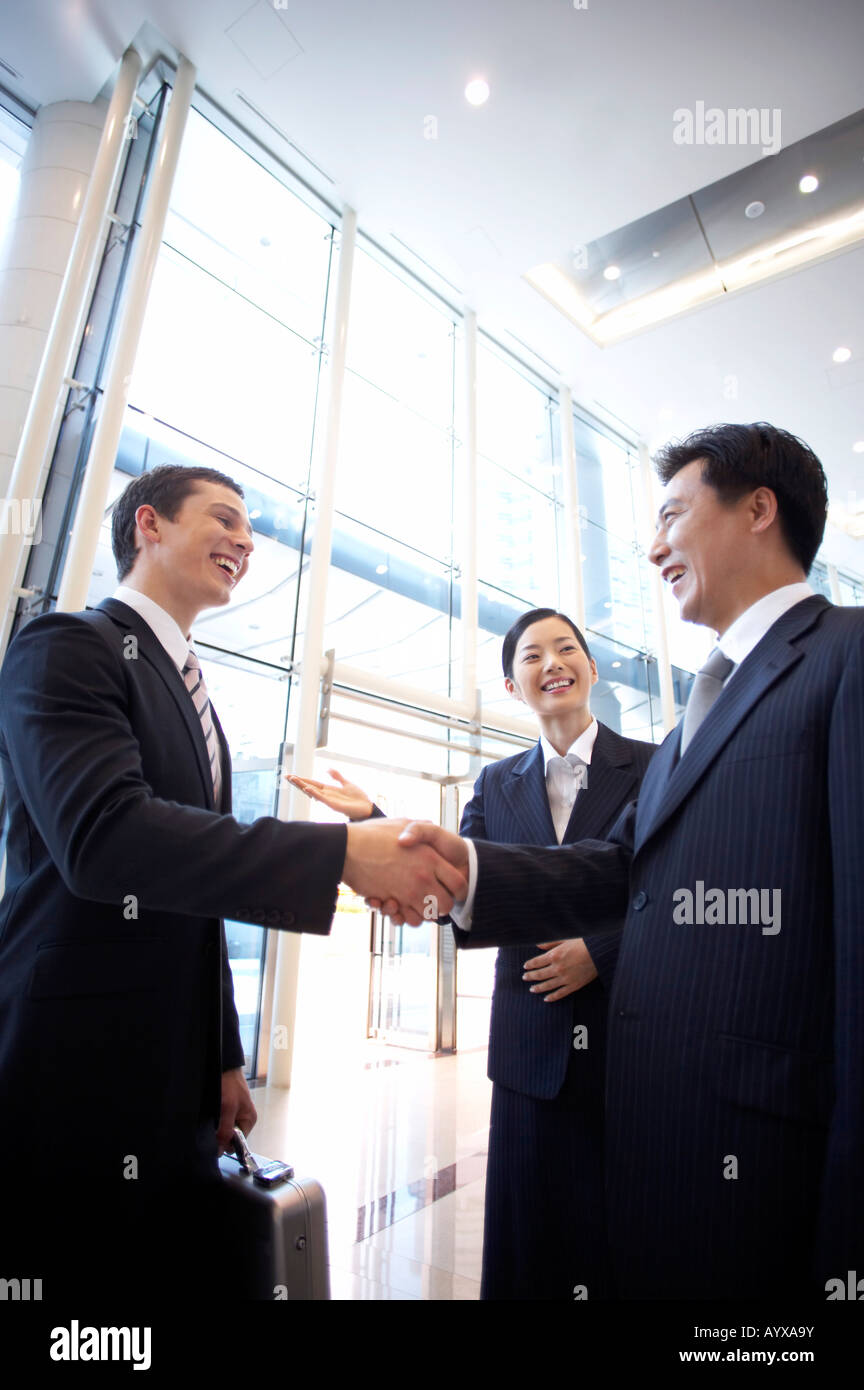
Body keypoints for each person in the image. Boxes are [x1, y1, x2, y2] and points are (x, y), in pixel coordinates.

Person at [390, 422, 864, 1300]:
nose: (651, 548)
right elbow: (623, 870)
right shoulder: (703, 712)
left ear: (759, 510)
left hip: (769, 1163)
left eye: (673, 516)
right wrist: (458, 869)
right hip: (664, 1144)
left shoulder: (846, 655)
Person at [0, 463, 465, 1301]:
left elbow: (196, 900)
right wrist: (341, 855)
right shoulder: (66, 646)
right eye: (223, 518)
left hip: (173, 1071)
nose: (246, 543)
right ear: (148, 525)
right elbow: (105, 839)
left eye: (250, 531)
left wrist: (223, 1056)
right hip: (72, 1062)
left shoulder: (198, 700)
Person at [289, 608, 655, 1300]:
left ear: (592, 668)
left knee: (621, 1235)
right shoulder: (495, 785)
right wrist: (375, 826)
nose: (553, 663)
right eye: (532, 656)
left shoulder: (653, 766)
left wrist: (599, 950)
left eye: (567, 649)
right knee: (528, 1239)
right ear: (513, 687)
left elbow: (675, 885)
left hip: (627, 1041)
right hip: (528, 1050)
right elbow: (452, 890)